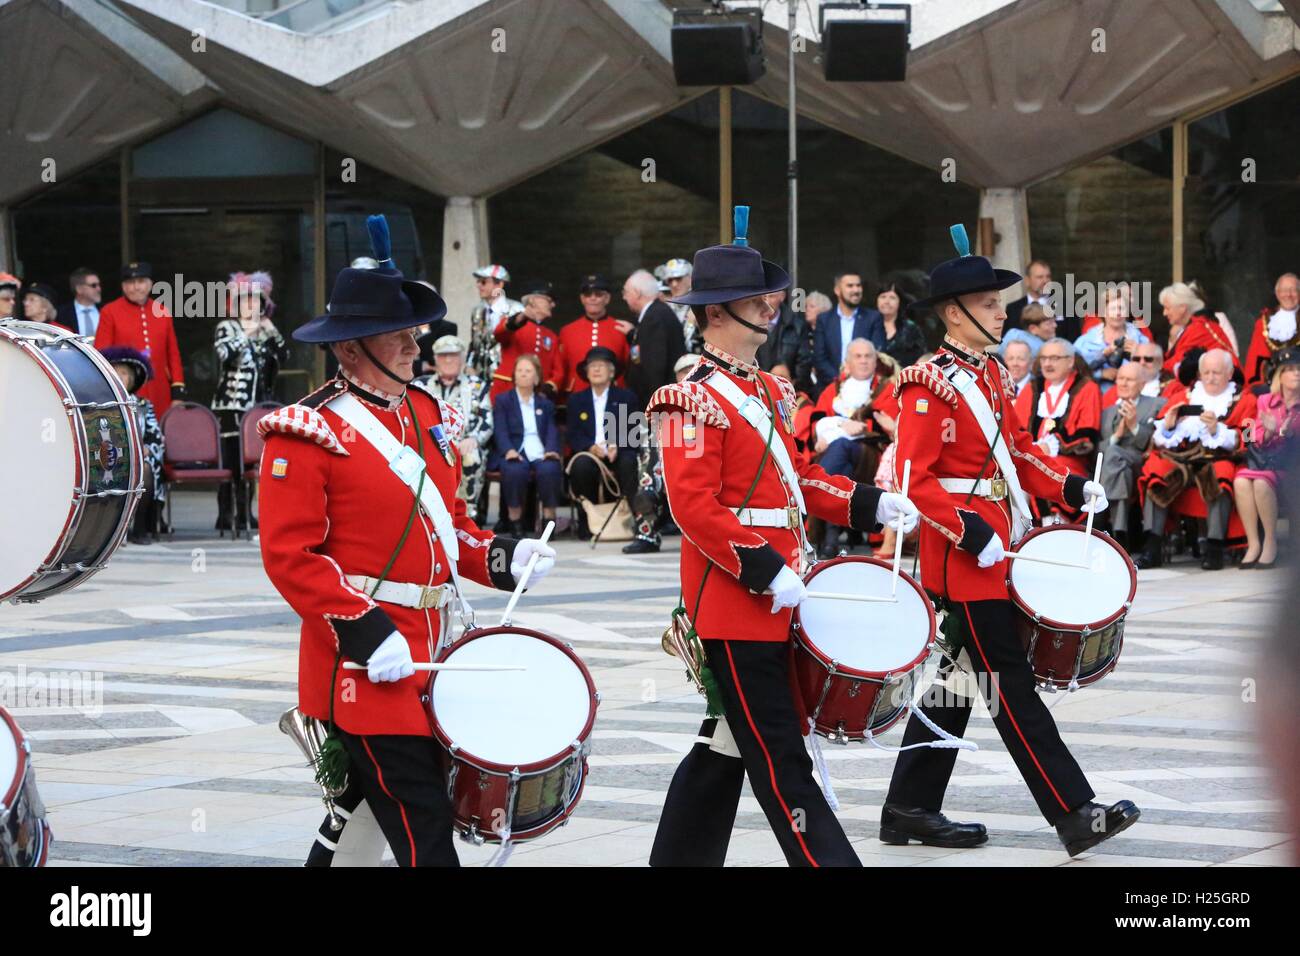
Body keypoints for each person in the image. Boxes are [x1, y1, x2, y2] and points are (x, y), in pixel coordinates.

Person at [257, 215, 555, 867]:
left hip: (427, 651)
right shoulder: (306, 431)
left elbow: (448, 523)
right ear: (351, 345)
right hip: (363, 661)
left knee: (359, 817)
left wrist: (502, 555)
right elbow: (289, 557)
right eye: (396, 335)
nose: (414, 347)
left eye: (412, 332)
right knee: (423, 820)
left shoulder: (425, 413)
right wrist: (363, 630)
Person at [647, 211, 919, 867]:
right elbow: (693, 507)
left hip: (773, 593)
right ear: (715, 314)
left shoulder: (762, 388)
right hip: (736, 599)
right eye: (752, 301)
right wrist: (764, 567)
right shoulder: (692, 398)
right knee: (781, 758)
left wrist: (871, 501)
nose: (769, 309)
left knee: (725, 747)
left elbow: (796, 482)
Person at [882, 223, 1137, 858]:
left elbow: (1018, 454)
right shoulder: (926, 384)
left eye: (1001, 302)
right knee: (1011, 687)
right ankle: (1075, 813)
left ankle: (908, 808)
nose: (1003, 312)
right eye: (991, 303)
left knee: (957, 686)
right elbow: (917, 481)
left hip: (1000, 546)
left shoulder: (992, 375)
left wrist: (1074, 489)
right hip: (964, 557)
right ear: (954, 313)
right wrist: (968, 530)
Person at [1135, 349, 1257, 571]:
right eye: (1206, 372)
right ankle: (1152, 546)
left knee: (1222, 474)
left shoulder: (1246, 399)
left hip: (1218, 457)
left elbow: (1251, 437)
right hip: (1180, 458)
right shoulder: (1182, 396)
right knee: (1155, 467)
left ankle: (1214, 546)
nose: (1210, 378)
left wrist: (1218, 430)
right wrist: (1169, 425)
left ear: (1229, 374)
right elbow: (1160, 434)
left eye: (1216, 373)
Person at [211, 271, 289, 533]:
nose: (251, 306)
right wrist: (246, 333)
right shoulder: (227, 327)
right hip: (231, 404)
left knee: (254, 460)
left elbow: (284, 354)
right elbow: (225, 355)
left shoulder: (264, 331)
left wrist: (270, 330)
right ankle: (226, 514)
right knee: (231, 461)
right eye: (246, 301)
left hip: (259, 405)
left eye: (256, 301)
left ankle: (246, 513)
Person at [810, 339, 900, 558]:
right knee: (841, 462)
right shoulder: (833, 390)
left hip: (872, 456)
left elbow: (892, 425)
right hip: (838, 455)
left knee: (838, 450)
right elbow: (815, 422)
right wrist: (820, 436)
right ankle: (833, 537)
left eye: (868, 356)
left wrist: (861, 428)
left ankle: (819, 521)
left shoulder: (887, 389)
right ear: (847, 362)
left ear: (876, 361)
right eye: (857, 356)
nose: (863, 361)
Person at [565, 346, 642, 539]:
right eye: (592, 366)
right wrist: (590, 447)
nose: (596, 370)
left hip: (620, 450)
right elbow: (573, 434)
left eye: (601, 365)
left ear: (612, 371)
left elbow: (634, 431)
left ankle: (636, 519)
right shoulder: (576, 400)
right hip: (591, 453)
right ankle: (587, 521)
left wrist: (617, 444)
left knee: (629, 461)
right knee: (581, 466)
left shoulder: (626, 397)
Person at [1234, 347, 1300, 568]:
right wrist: (1270, 431)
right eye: (1290, 369)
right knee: (1242, 480)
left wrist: (1288, 432)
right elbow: (1256, 438)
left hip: (1292, 466)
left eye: (1299, 369)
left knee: (1262, 483)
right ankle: (1253, 543)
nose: (1296, 373)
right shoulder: (1264, 401)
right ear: (1280, 375)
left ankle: (1270, 541)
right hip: (1267, 461)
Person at [95, 261, 186, 416]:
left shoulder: (162, 311)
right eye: (130, 282)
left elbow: (173, 354)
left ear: (150, 284)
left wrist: (177, 391)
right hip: (127, 389)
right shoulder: (109, 312)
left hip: (160, 390)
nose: (136, 287)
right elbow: (101, 354)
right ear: (123, 286)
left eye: (141, 282)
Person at [1024, 339, 1102, 518]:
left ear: (1070, 361)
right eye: (1044, 358)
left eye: (1054, 358)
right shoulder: (1032, 388)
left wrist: (1053, 446)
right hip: (1029, 458)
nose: (1048, 363)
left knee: (1047, 475)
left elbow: (1087, 436)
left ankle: (1051, 532)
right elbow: (1016, 429)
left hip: (1069, 461)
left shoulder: (1087, 388)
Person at [419, 335, 493, 517]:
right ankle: (427, 514)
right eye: (443, 355)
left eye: (453, 355)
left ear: (462, 358)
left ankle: (467, 514)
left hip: (463, 444)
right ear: (435, 359)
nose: (449, 359)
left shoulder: (477, 386)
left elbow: (487, 421)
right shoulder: (420, 386)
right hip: (428, 445)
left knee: (471, 456)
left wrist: (474, 439)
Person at [491, 353, 563, 535]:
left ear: (536, 377)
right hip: (515, 450)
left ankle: (549, 521)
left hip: (540, 451)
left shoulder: (544, 403)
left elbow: (552, 430)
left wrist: (552, 450)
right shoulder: (503, 401)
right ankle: (515, 523)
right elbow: (500, 429)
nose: (523, 374)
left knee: (550, 469)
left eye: (528, 371)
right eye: (520, 370)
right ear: (514, 375)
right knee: (514, 470)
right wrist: (508, 450)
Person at [100, 347, 165, 544]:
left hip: (140, 459)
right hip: (109, 460)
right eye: (115, 371)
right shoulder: (100, 403)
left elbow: (156, 437)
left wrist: (146, 448)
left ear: (133, 378)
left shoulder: (144, 405)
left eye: (125, 372)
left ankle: (140, 529)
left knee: (146, 469)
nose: (120, 376)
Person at [1099, 362, 1164, 547]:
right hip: (1117, 468)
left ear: (1142, 384)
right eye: (1120, 378)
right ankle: (1120, 533)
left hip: (1142, 462)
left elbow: (1156, 441)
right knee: (1118, 468)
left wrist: (1135, 426)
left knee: (1113, 455)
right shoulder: (1107, 412)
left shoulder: (1157, 404)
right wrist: (1117, 436)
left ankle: (1101, 515)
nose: (1123, 383)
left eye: (1129, 379)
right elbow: (1099, 450)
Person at [557, 274, 631, 396]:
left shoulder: (620, 329)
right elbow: (561, 366)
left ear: (607, 298)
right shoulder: (567, 331)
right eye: (588, 294)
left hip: (613, 393)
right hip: (577, 393)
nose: (593, 298)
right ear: (582, 299)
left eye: (598, 294)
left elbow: (628, 366)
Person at [623, 269, 686, 406]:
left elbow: (654, 368)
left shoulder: (654, 318)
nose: (624, 298)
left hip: (656, 406)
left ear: (637, 293)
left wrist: (653, 408)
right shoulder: (654, 314)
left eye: (626, 292)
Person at [812, 271, 884, 390]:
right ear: (837, 290)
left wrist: (855, 380)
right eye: (850, 286)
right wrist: (841, 380)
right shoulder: (824, 320)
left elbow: (877, 354)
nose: (856, 290)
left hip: (865, 388)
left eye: (858, 285)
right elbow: (819, 358)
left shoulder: (873, 318)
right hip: (830, 387)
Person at [490, 280, 561, 400]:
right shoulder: (515, 325)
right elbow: (499, 334)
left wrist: (548, 386)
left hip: (537, 396)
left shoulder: (551, 336)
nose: (553, 305)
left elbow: (558, 371)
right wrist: (522, 317)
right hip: (507, 389)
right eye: (549, 300)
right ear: (533, 300)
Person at [1160, 282, 1237, 383]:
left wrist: (1151, 367)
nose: (1164, 313)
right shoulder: (1197, 325)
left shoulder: (1199, 328)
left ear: (1182, 308)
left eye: (1167, 308)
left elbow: (1177, 362)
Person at [1074, 288, 1148, 393]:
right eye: (1113, 309)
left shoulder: (1140, 339)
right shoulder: (1086, 340)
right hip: (1097, 400)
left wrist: (1138, 356)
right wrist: (1101, 371)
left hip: (1132, 400)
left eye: (1121, 308)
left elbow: (1153, 372)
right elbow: (1073, 370)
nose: (1118, 313)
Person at [466, 264, 521, 382]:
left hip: (506, 377)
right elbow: (474, 343)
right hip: (480, 378)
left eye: (484, 282)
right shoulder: (477, 310)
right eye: (478, 282)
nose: (478, 285)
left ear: (499, 284)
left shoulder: (516, 310)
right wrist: (469, 365)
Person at [1244, 273, 1300, 388]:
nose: (1289, 295)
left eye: (1293, 290)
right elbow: (1257, 358)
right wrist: (1256, 386)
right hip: (1272, 383)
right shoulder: (1265, 321)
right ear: (1277, 294)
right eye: (1284, 290)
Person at [877, 281, 925, 370]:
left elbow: (921, 359)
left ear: (899, 302)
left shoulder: (910, 328)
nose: (887, 301)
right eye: (883, 297)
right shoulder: (869, 325)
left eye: (892, 298)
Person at [658, 258, 701, 353]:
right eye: (670, 280)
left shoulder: (701, 305)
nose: (674, 284)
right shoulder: (665, 308)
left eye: (678, 278)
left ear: (690, 278)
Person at [1004, 258, 1055, 333]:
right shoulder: (1013, 309)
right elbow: (1007, 340)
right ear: (1027, 281)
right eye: (1040, 277)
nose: (1045, 281)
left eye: (1048, 276)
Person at [57, 267, 102, 337]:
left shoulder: (106, 310)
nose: (99, 289)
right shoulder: (62, 313)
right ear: (79, 289)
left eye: (99, 285)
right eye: (94, 285)